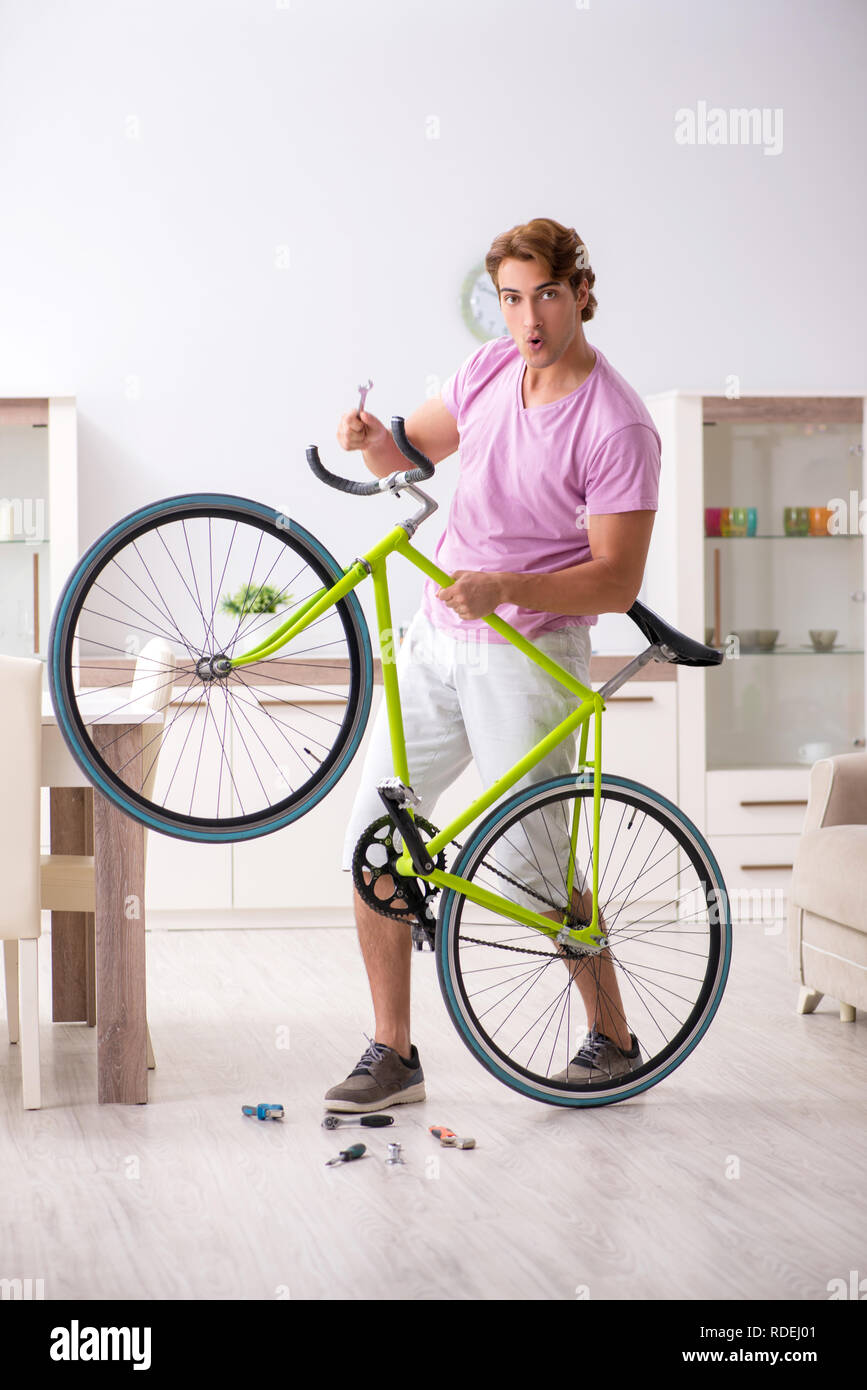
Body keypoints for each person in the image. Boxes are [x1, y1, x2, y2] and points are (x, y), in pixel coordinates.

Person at [325, 216, 660, 1111]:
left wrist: (506, 585)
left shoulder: (617, 422)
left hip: (531, 651)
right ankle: (391, 1051)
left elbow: (619, 581)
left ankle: (614, 1038)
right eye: (511, 299)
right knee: (377, 837)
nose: (528, 318)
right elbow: (411, 448)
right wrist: (370, 440)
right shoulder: (486, 370)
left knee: (533, 871)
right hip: (440, 638)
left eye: (545, 295)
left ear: (580, 293)